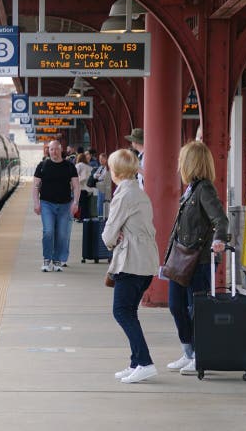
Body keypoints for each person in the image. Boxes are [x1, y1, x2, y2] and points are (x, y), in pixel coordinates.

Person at [165, 141, 228, 376]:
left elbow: (220, 220)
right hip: (181, 260)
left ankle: (200, 354)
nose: (179, 164)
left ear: (191, 163)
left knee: (196, 309)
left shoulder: (205, 190)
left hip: (198, 261)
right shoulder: (191, 189)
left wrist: (219, 240)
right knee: (176, 306)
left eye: (182, 160)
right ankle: (188, 351)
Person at [102, 149, 159, 384]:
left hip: (131, 262)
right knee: (130, 312)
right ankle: (136, 362)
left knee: (122, 312)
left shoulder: (123, 195)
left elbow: (109, 233)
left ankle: (145, 363)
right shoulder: (139, 191)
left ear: (114, 170)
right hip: (144, 261)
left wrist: (112, 240)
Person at [33, 140, 79, 272]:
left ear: (61, 150)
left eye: (56, 149)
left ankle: (57, 260)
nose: (54, 152)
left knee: (62, 234)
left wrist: (75, 202)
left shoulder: (69, 166)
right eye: (51, 149)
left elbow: (76, 186)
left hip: (65, 205)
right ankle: (47, 260)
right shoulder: (42, 166)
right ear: (49, 151)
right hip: (47, 204)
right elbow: (36, 186)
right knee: (48, 231)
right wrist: (36, 203)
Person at [92, 152, 112, 218]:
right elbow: (94, 176)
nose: (101, 160)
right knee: (99, 202)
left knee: (103, 201)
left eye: (102, 159)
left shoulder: (108, 167)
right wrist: (98, 176)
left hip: (105, 185)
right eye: (100, 159)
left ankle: (104, 216)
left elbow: (103, 176)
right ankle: (100, 216)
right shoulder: (100, 167)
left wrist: (98, 176)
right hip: (100, 184)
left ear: (106, 159)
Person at [74, 153, 93, 219]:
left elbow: (75, 176)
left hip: (81, 188)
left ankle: (81, 217)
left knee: (81, 204)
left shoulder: (78, 165)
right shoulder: (89, 167)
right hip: (89, 189)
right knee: (87, 205)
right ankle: (86, 217)